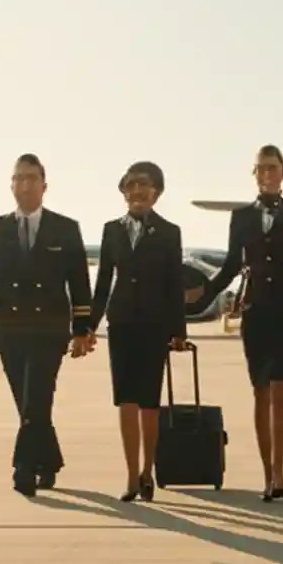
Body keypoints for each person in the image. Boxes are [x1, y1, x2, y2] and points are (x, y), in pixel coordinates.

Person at [188, 144, 283, 502]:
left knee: (280, 386)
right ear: (255, 174)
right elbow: (232, 265)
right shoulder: (242, 217)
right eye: (260, 168)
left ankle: (279, 471)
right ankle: (267, 473)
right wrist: (203, 294)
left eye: (272, 167)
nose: (266, 174)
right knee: (260, 390)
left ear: (282, 173)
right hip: (256, 311)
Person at [0, 153, 93, 498]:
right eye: (18, 178)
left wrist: (83, 329)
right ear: (11, 185)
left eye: (31, 178)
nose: (25, 184)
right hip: (11, 329)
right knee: (28, 405)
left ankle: (23, 468)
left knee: (37, 397)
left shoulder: (65, 229)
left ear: (44, 185)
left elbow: (80, 283)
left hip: (49, 330)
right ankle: (49, 460)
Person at [88, 161, 189, 502]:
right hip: (121, 323)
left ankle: (149, 470)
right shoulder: (112, 230)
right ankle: (131, 475)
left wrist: (178, 330)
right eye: (130, 186)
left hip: (154, 325)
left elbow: (174, 283)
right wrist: (88, 325)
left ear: (156, 192)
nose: (137, 191)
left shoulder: (169, 232)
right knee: (125, 401)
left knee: (149, 402)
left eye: (144, 185)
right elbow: (103, 281)